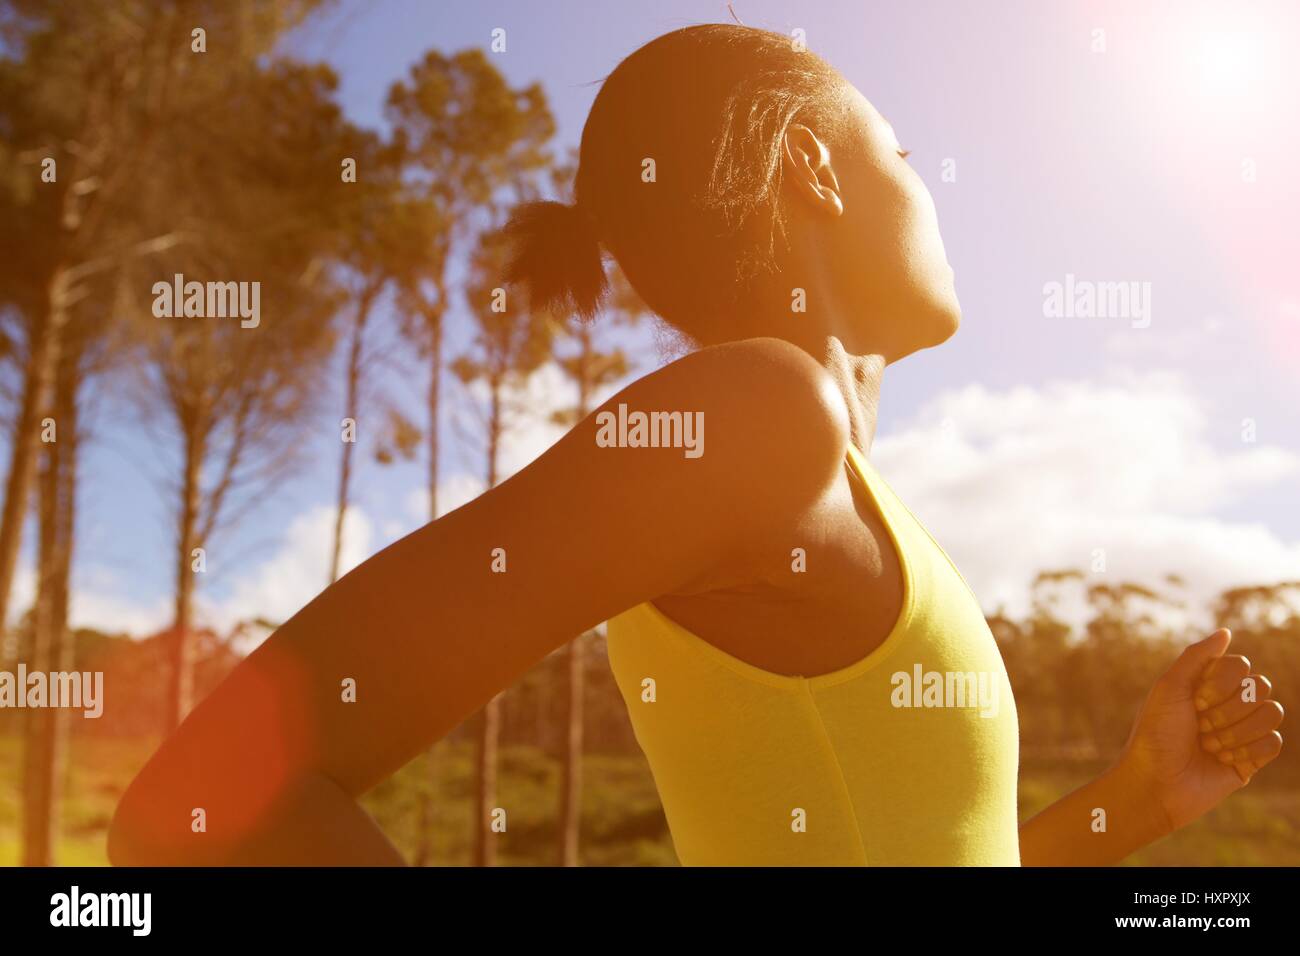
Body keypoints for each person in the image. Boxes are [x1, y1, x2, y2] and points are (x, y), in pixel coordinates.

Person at [109, 23, 1284, 866]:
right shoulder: (760, 415)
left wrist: (1132, 804)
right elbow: (199, 810)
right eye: (905, 156)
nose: (931, 193)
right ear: (812, 168)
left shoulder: (837, 484)